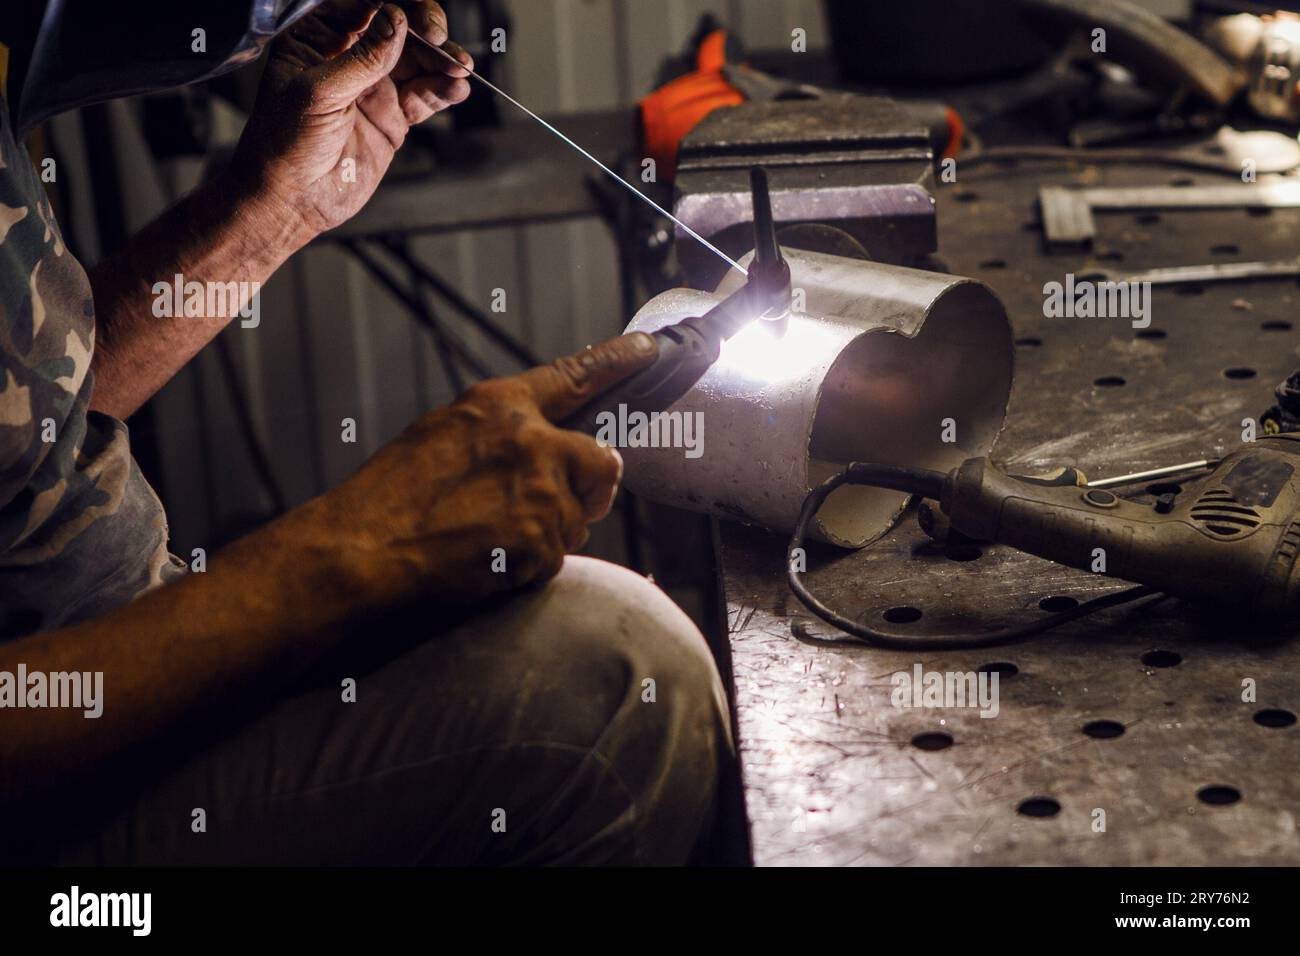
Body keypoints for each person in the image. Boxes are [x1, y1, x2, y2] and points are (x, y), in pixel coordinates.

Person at [0, 0, 732, 865]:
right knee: (615, 686)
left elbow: (32, 422)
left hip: (122, 651)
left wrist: (278, 206)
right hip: (47, 794)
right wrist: (356, 549)